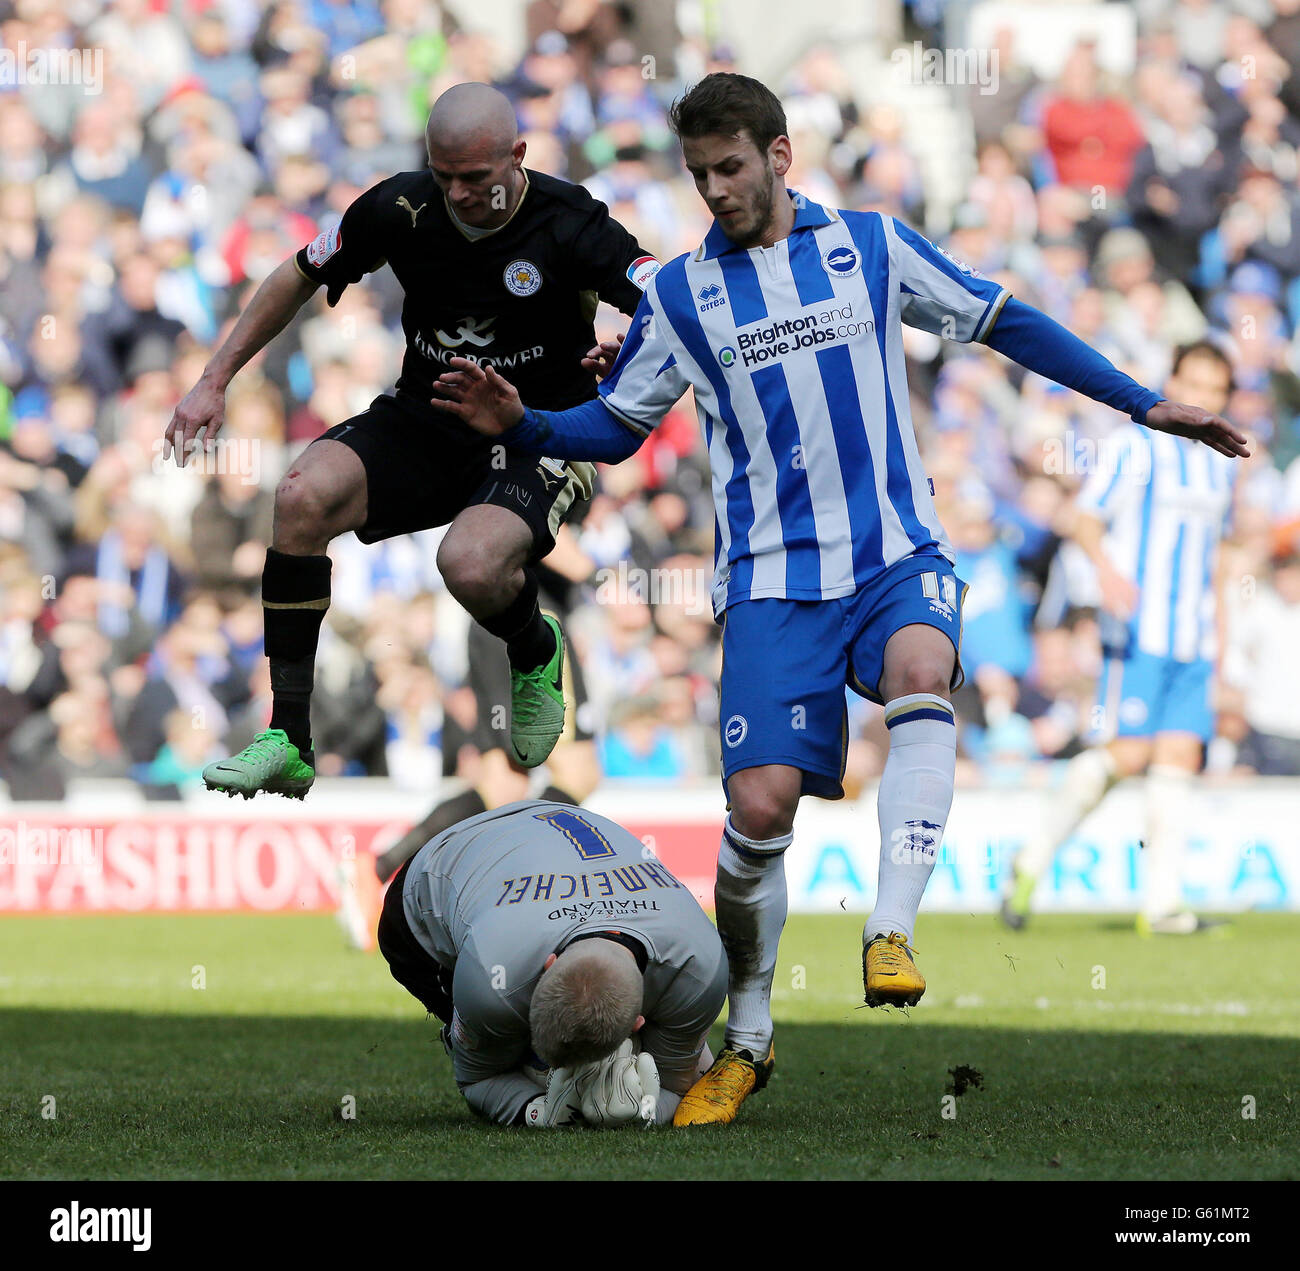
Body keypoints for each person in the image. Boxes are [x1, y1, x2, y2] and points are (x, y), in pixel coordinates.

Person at [428, 73, 1250, 1124]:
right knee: (761, 807)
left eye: (730, 167)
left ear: (779, 156)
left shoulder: (870, 244)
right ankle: (751, 1038)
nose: (715, 189)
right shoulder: (679, 295)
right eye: (698, 175)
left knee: (921, 675)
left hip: (894, 552)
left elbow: (1007, 321)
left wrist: (1142, 403)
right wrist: (524, 423)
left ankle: (888, 928)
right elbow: (618, 428)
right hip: (771, 580)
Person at [164, 82, 657, 799]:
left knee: (470, 563)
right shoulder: (401, 205)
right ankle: (290, 738)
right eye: (443, 173)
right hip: (430, 415)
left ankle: (535, 648)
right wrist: (215, 378)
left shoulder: (571, 223)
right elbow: (297, 272)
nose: (456, 192)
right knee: (300, 497)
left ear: (516, 156)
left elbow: (669, 295)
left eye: (475, 178)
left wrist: (633, 356)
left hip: (538, 428)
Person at [1002, 342, 1241, 934]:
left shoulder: (1220, 461)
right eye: (1195, 383)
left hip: (1192, 638)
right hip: (1140, 629)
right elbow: (1083, 518)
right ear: (1174, 380)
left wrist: (1222, 635)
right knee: (1130, 752)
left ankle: (1162, 906)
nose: (1205, 397)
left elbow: (1217, 555)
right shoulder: (1139, 446)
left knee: (1181, 753)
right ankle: (1029, 861)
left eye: (1216, 389)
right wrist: (1108, 574)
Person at [378, 797, 727, 1127]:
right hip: (433, 876)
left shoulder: (699, 964)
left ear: (639, 1020)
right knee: (520, 1058)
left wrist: (646, 1114)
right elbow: (479, 1078)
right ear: (545, 968)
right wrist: (540, 1113)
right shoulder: (493, 978)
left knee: (639, 1063)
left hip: (537, 841)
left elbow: (676, 1086)